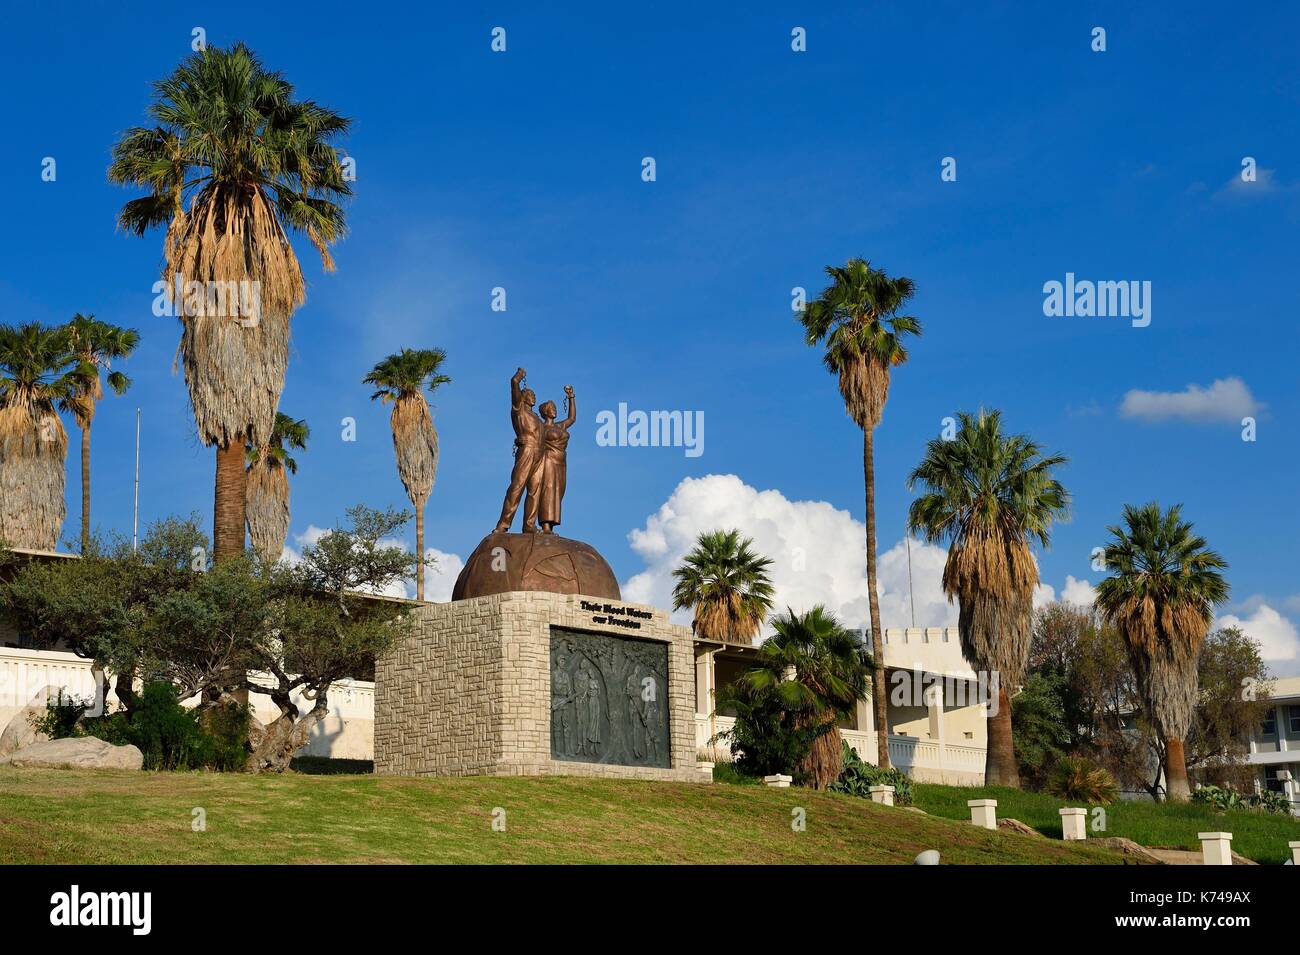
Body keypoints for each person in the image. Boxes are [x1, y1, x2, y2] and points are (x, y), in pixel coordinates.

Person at [494, 368, 543, 533]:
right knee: (517, 486)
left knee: (535, 489)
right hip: (527, 449)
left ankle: (529, 525)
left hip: (539, 453)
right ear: (523, 397)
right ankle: (503, 524)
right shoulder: (519, 410)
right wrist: (519, 376)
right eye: (530, 394)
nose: (534, 396)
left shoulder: (538, 418)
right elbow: (514, 384)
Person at [537, 385, 575, 534]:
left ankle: (551, 524)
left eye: (554, 407)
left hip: (561, 463)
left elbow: (572, 418)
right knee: (548, 490)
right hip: (548, 461)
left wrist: (571, 397)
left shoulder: (561, 426)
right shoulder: (540, 428)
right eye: (551, 407)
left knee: (559, 492)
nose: (554, 409)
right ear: (545, 411)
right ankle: (545, 525)